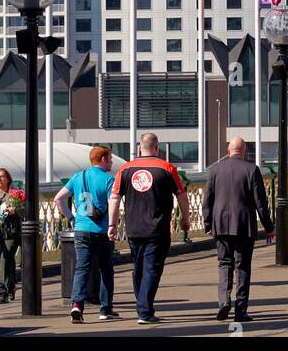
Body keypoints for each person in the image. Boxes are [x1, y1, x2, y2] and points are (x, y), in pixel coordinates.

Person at [108, 132, 190, 325]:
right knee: (152, 268)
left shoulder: (125, 169)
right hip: (158, 228)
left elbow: (114, 198)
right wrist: (185, 219)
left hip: (133, 228)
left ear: (139, 148)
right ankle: (144, 310)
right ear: (157, 147)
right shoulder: (167, 168)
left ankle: (142, 304)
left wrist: (112, 225)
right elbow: (182, 195)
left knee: (138, 268)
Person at [203, 137, 274, 322]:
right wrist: (269, 227)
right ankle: (241, 310)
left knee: (224, 263)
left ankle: (224, 302)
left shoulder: (215, 170)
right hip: (243, 225)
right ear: (244, 151)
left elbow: (207, 200)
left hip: (220, 225)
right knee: (242, 267)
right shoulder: (252, 170)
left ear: (228, 150)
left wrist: (208, 223)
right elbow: (261, 203)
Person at [54, 144, 116, 324]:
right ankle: (105, 309)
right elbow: (113, 203)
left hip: (81, 230)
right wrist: (112, 225)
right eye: (110, 158)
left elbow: (59, 199)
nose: (111, 161)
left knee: (82, 268)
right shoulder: (108, 179)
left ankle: (77, 305)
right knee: (106, 270)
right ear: (103, 159)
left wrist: (72, 217)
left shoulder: (77, 177)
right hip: (102, 231)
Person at [0, 168, 21, 304]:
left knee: (5, 259)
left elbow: (25, 210)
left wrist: (16, 210)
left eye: (2, 177)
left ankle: (2, 292)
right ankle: (11, 285)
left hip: (11, 232)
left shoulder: (15, 195)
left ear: (8, 179)